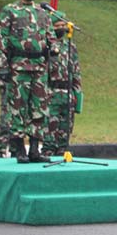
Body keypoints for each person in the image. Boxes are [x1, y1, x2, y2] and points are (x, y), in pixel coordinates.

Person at [0, 0, 56, 164]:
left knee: (40, 108)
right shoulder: (10, 11)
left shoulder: (42, 12)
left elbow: (50, 35)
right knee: (18, 108)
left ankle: (35, 149)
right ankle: (20, 149)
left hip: (39, 67)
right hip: (19, 67)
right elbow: (2, 39)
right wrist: (2, 67)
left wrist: (53, 48)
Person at [43, 10, 82, 156]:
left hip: (67, 93)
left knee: (66, 130)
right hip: (51, 91)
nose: (61, 28)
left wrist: (77, 92)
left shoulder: (70, 46)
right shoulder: (45, 46)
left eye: (62, 25)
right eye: (57, 25)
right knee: (50, 129)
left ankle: (62, 151)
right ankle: (48, 152)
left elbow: (76, 71)